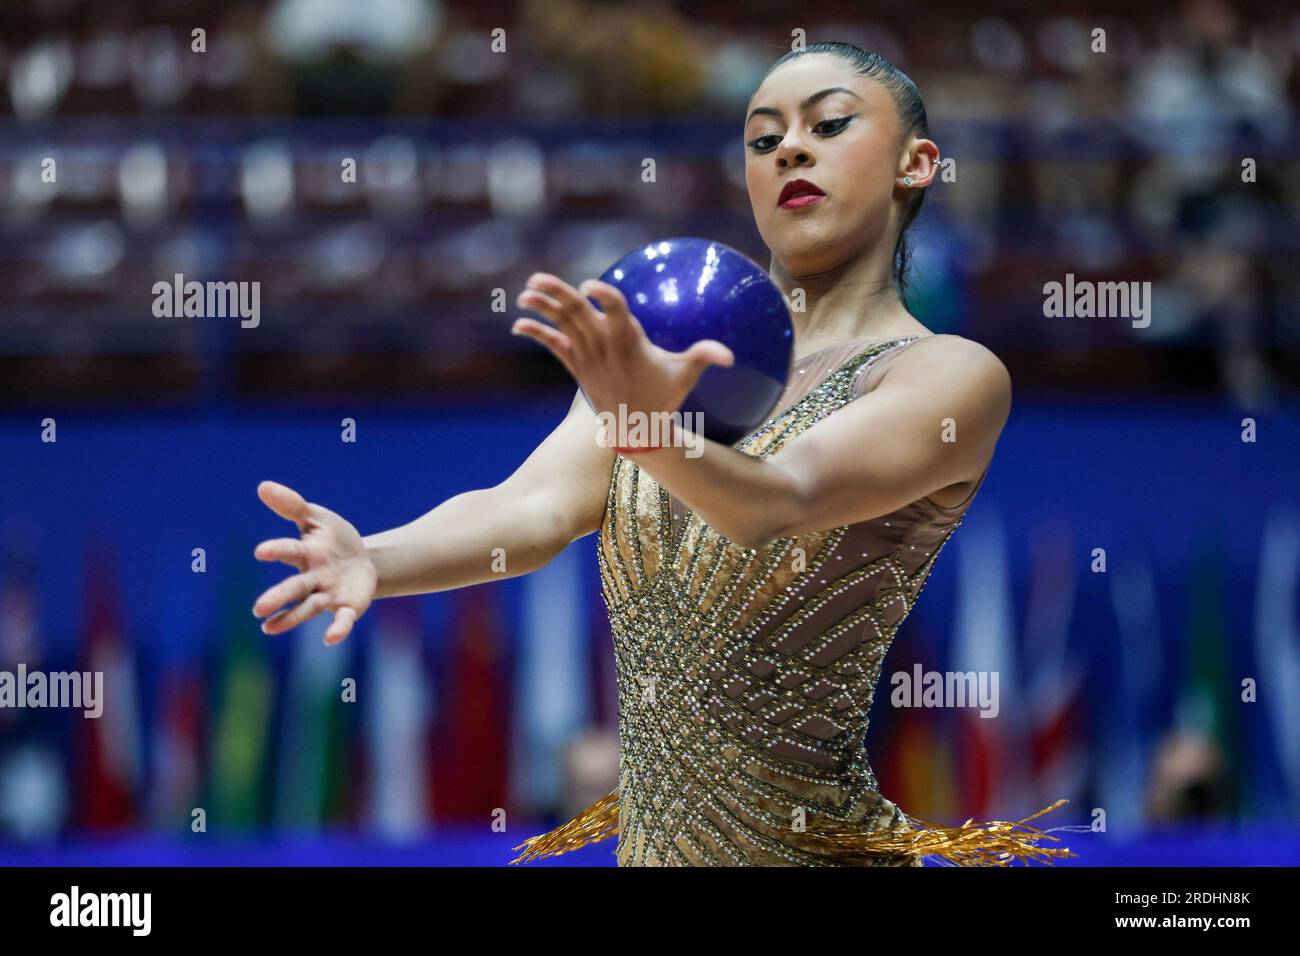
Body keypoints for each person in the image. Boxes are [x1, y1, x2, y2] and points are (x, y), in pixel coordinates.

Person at [252, 41, 1075, 866]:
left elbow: (776, 501)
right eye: (763, 139)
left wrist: (641, 419)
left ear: (917, 163)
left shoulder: (948, 375)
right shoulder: (671, 346)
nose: (790, 148)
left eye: (828, 125)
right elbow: (533, 509)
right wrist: (376, 557)